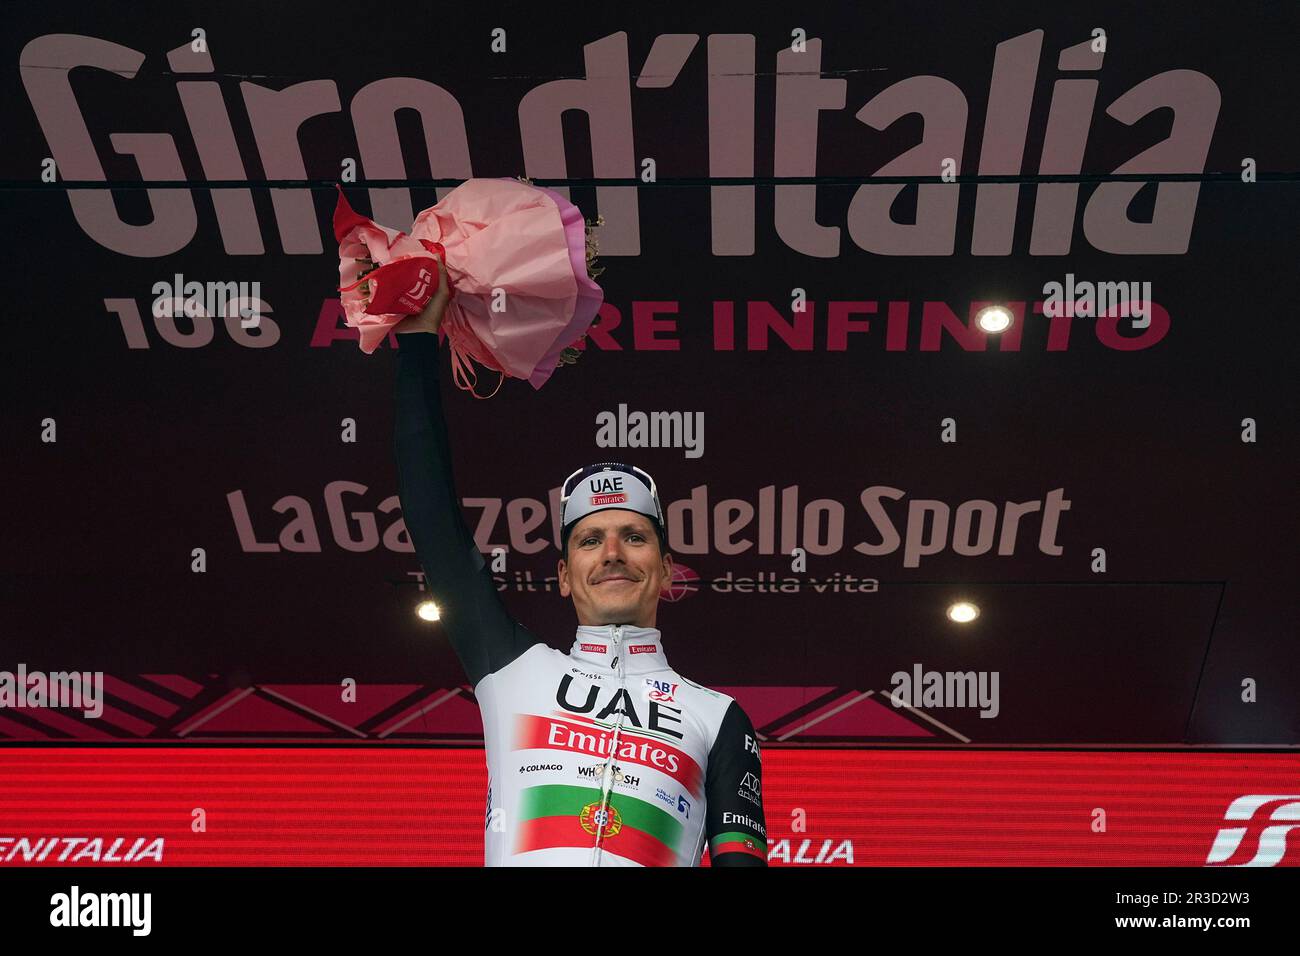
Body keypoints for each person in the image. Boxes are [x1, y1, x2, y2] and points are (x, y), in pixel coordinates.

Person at [391, 255, 767, 866]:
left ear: (667, 569)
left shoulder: (719, 718)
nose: (612, 553)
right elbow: (433, 520)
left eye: (633, 537)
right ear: (564, 576)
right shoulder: (510, 668)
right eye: (590, 541)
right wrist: (416, 342)